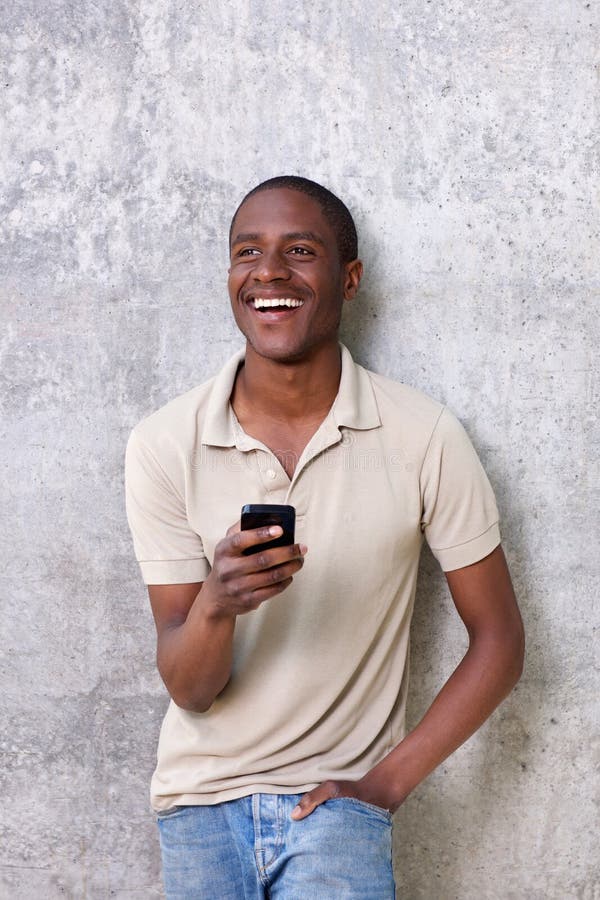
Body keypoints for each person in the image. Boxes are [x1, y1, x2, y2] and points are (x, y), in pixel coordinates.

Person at [125, 175, 525, 899]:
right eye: (248, 252)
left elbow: (499, 639)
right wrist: (216, 603)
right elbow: (190, 688)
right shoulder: (162, 443)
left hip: (335, 812)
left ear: (350, 277)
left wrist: (384, 785)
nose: (268, 273)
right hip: (198, 810)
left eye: (299, 251)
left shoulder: (423, 435)